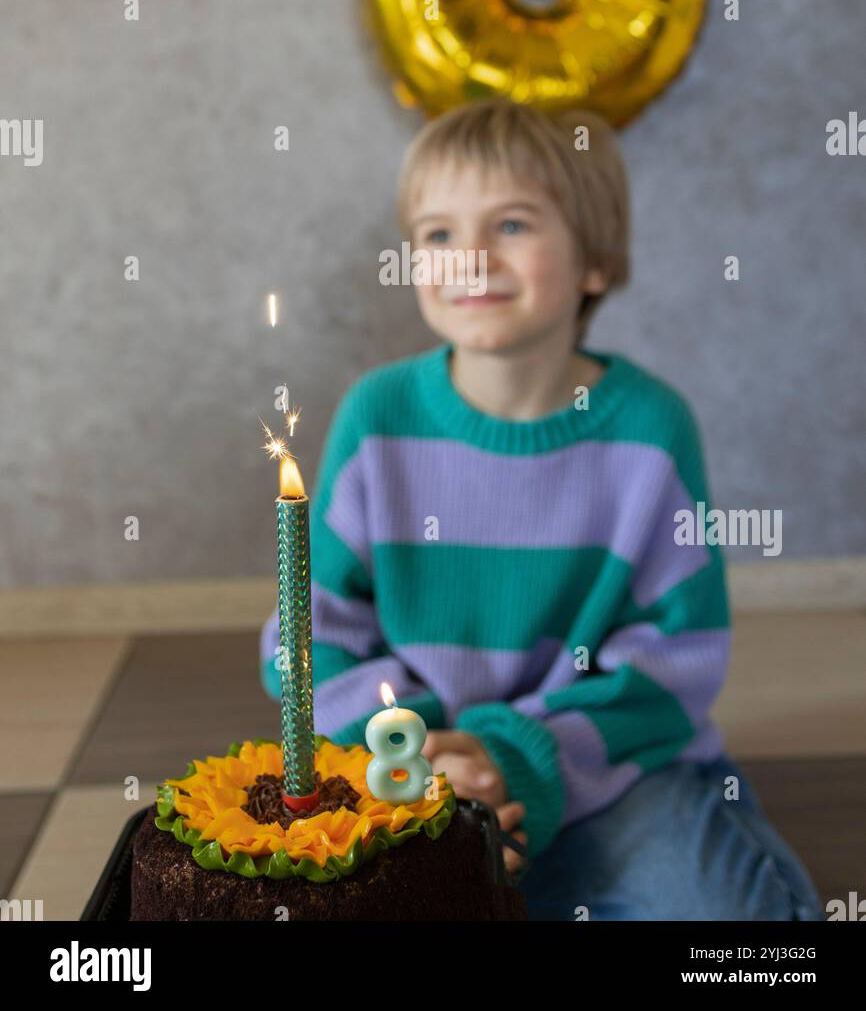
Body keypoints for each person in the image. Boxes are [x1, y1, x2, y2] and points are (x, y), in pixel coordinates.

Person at [261, 98, 824, 921]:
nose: (469, 258)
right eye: (439, 235)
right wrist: (424, 752)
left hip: (602, 769)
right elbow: (310, 631)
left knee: (734, 927)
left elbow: (675, 655)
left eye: (513, 225)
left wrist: (513, 759)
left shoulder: (651, 429)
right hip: (407, 774)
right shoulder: (375, 416)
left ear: (593, 261)